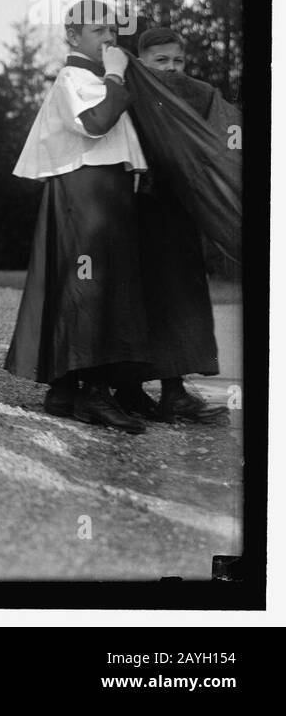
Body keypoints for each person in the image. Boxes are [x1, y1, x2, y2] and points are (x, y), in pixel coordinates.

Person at [5, 1, 152, 433]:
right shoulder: (76, 78)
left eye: (113, 31)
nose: (109, 39)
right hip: (84, 192)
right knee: (88, 286)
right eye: (98, 31)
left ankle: (65, 389)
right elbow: (95, 122)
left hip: (102, 192)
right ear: (72, 37)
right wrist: (116, 75)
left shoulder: (93, 77)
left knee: (90, 285)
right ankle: (92, 392)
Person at [110, 26, 229, 425]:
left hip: (179, 210)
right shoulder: (129, 91)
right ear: (142, 62)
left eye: (178, 60)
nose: (172, 68)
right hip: (134, 209)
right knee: (137, 297)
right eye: (161, 61)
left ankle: (174, 392)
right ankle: (128, 390)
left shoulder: (197, 94)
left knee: (180, 296)